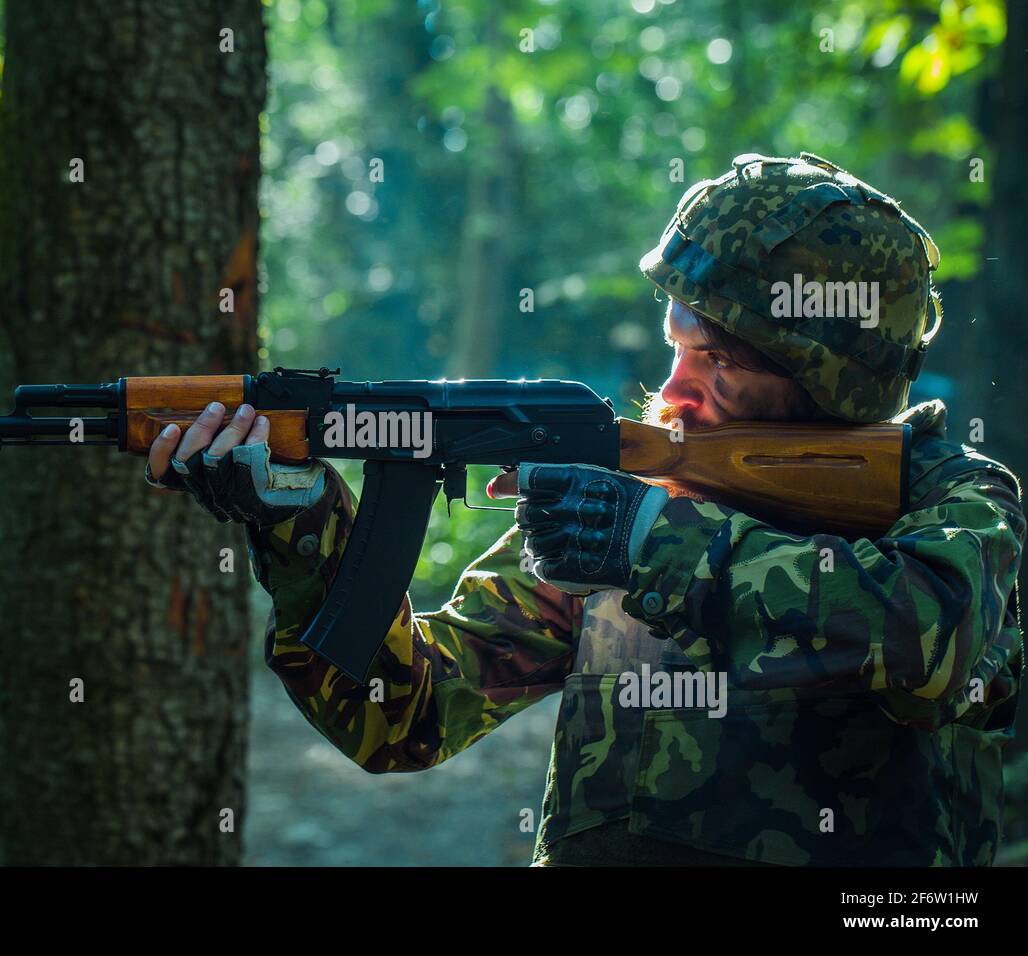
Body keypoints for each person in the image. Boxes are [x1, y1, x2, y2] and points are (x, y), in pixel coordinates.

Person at [147, 152, 1024, 866]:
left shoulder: (944, 500)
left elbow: (927, 642)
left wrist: (650, 540)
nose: (676, 384)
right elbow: (405, 716)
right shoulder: (638, 492)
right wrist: (299, 527)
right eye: (678, 340)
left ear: (829, 375)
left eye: (719, 360)